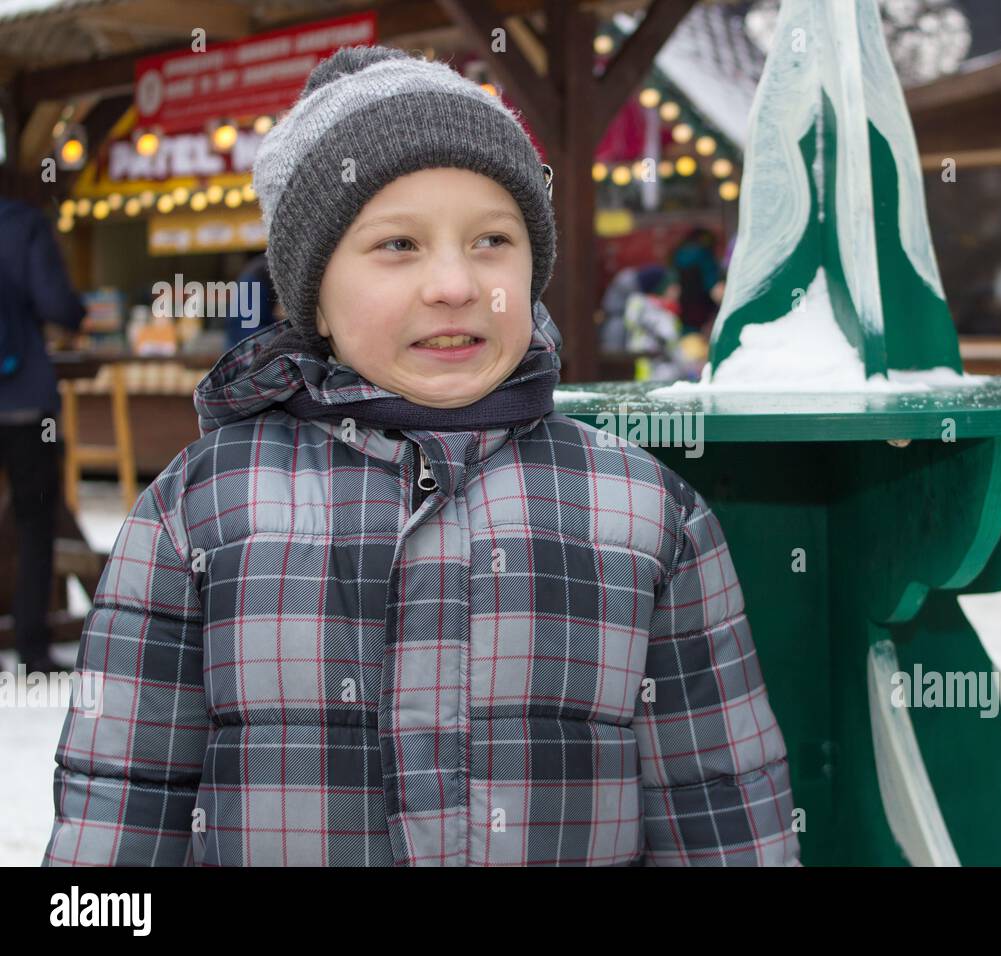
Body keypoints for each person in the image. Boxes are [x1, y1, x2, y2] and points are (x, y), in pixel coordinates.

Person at [42, 45, 799, 868]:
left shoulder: (647, 513)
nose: (453, 285)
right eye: (398, 245)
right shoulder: (201, 507)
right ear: (314, 303)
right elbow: (120, 801)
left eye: (491, 241)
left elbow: (722, 800)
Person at [0, 194, 86, 676]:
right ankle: (31, 648)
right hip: (25, 403)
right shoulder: (24, 223)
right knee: (35, 523)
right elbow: (58, 304)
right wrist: (77, 315)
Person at [671, 227, 721, 332]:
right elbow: (711, 284)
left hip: (683, 306)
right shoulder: (704, 254)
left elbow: (673, 282)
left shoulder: (679, 253)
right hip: (701, 306)